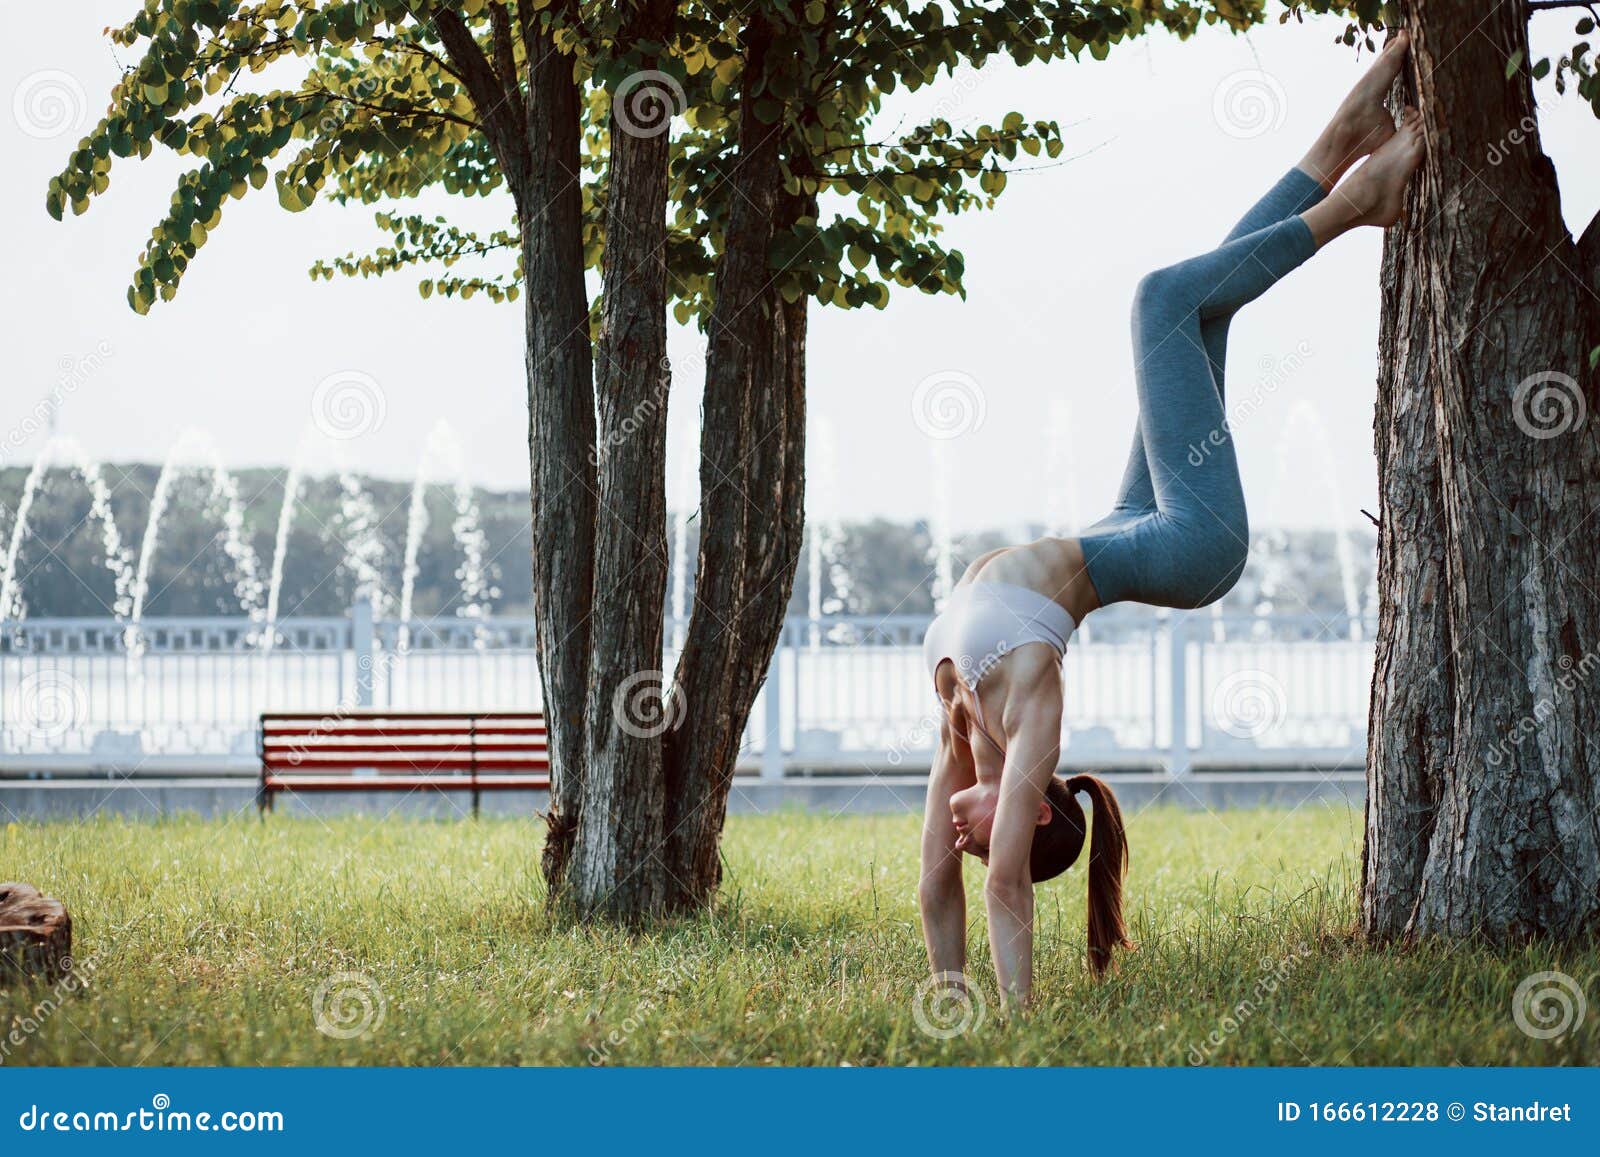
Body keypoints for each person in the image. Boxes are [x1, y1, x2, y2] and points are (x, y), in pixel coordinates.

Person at [918, 34, 1424, 1009]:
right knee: (1160, 300)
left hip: (1122, 527)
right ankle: (1357, 199)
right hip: (1189, 544)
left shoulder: (957, 733)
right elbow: (998, 884)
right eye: (984, 831)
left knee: (1190, 311)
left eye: (970, 830)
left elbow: (938, 887)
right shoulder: (1032, 729)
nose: (960, 831)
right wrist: (1018, 1020)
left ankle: (1337, 152)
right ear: (1033, 817)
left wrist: (948, 997)